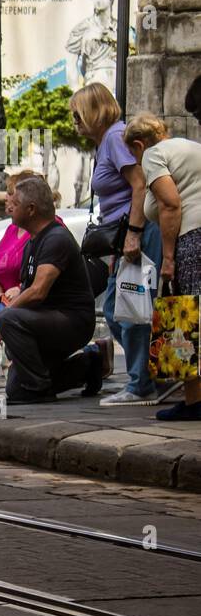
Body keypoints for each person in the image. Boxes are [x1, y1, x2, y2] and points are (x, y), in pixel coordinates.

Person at [70, 82, 168, 406]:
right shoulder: (106, 141)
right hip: (125, 231)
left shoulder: (114, 137)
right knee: (121, 308)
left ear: (93, 111)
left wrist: (134, 233)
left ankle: (141, 383)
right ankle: (148, 376)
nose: (74, 122)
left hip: (138, 229)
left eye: (77, 114)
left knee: (128, 307)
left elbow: (140, 185)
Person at [0, 176, 103, 403]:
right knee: (15, 391)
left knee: (9, 320)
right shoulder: (33, 241)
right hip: (45, 321)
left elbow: (38, 290)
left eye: (15, 203)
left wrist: (5, 314)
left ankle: (40, 388)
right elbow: (27, 288)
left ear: (31, 209)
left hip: (72, 322)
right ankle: (88, 366)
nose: (10, 206)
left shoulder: (56, 238)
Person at [124, 113, 201, 420]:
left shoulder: (154, 155)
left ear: (140, 144)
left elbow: (170, 204)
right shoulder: (189, 146)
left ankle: (195, 402)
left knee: (185, 318)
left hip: (192, 238)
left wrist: (168, 257)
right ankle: (194, 399)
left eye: (133, 154)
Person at [66, 0, 117, 90]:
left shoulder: (121, 28)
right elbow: (71, 64)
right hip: (94, 86)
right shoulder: (82, 28)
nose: (98, 0)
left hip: (118, 87)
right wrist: (75, 90)